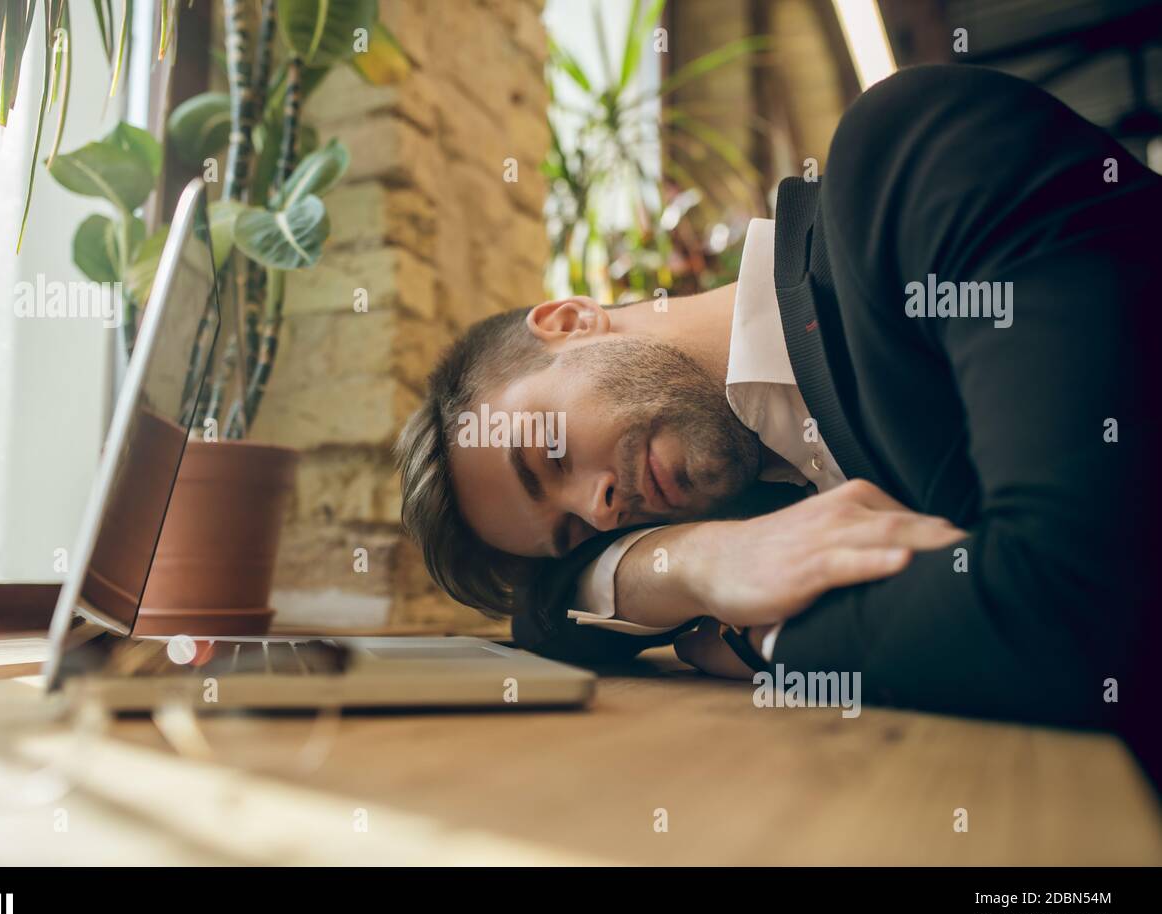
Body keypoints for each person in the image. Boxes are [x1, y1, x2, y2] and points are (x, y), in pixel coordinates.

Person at [394, 65, 1161, 727]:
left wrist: (766, 644)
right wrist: (694, 562)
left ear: (569, 321)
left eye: (545, 455)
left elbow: (1077, 616)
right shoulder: (755, 503)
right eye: (571, 530)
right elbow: (546, 615)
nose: (598, 511)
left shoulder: (909, 164)